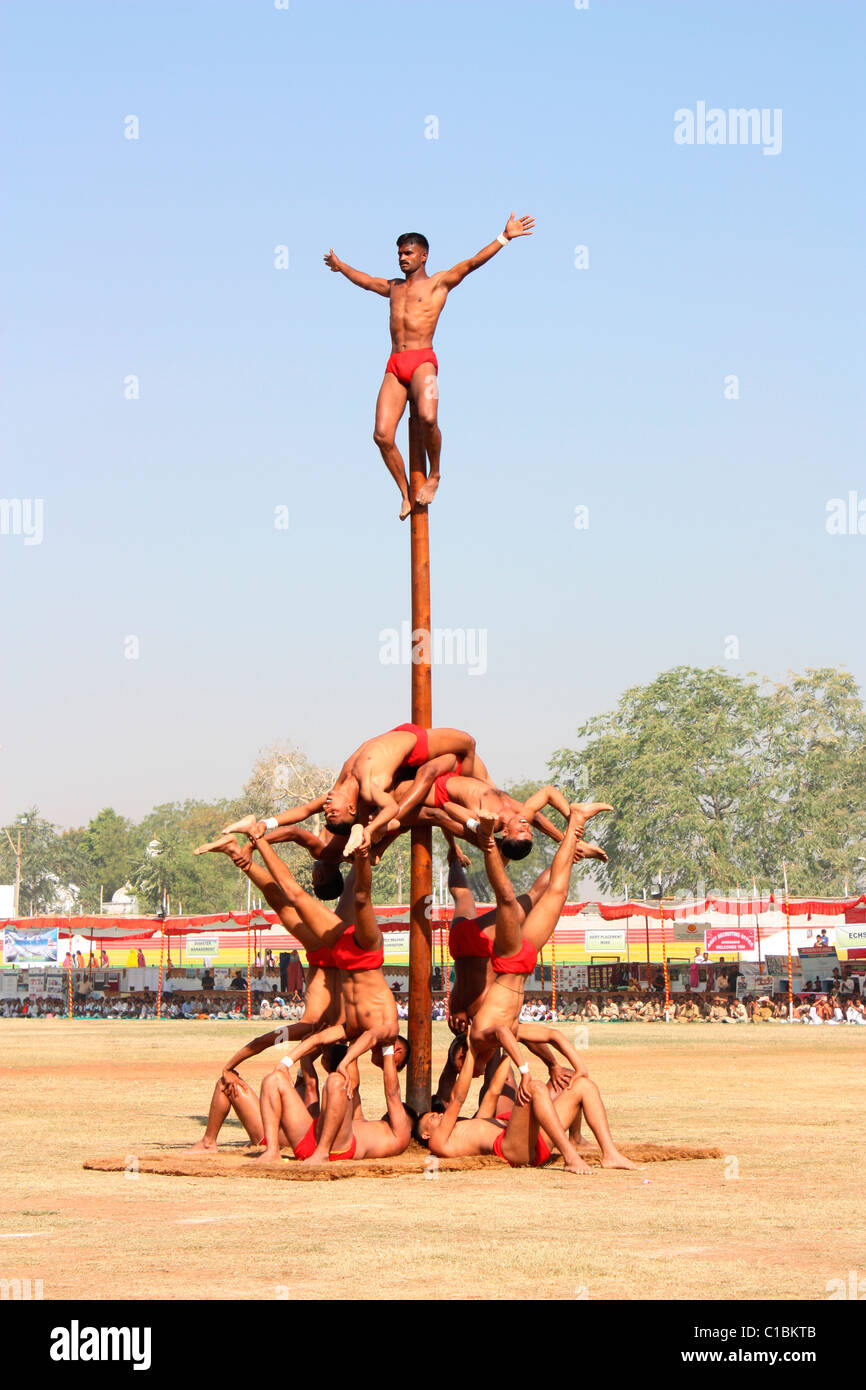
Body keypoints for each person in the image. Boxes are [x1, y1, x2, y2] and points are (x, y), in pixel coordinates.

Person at [323, 214, 535, 518]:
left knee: (427, 418)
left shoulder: (439, 283)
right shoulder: (394, 287)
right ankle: (405, 493)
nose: (402, 258)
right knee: (381, 435)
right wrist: (341, 267)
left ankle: (434, 475)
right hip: (395, 365)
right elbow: (367, 281)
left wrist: (504, 237)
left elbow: (473, 263)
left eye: (408, 253)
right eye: (399, 253)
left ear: (423, 256)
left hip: (423, 361)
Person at [216, 724, 480, 851]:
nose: (327, 807)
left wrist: (266, 823)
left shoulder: (339, 789)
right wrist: (371, 829)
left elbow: (304, 810)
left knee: (456, 756)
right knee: (468, 743)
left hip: (396, 736)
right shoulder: (368, 787)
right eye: (332, 811)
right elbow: (391, 807)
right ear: (352, 808)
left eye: (328, 810)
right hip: (415, 746)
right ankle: (470, 806)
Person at [416, 1048, 636, 1176]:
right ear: (426, 1134)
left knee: (581, 1085)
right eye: (433, 1118)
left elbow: (493, 1090)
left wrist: (508, 1047)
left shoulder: (475, 1123)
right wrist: (472, 1049)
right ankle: (571, 1156)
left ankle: (610, 1154)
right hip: (512, 1148)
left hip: (532, 1137)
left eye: (437, 1113)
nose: (441, 1115)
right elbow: (457, 1099)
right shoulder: (439, 1143)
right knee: (534, 1087)